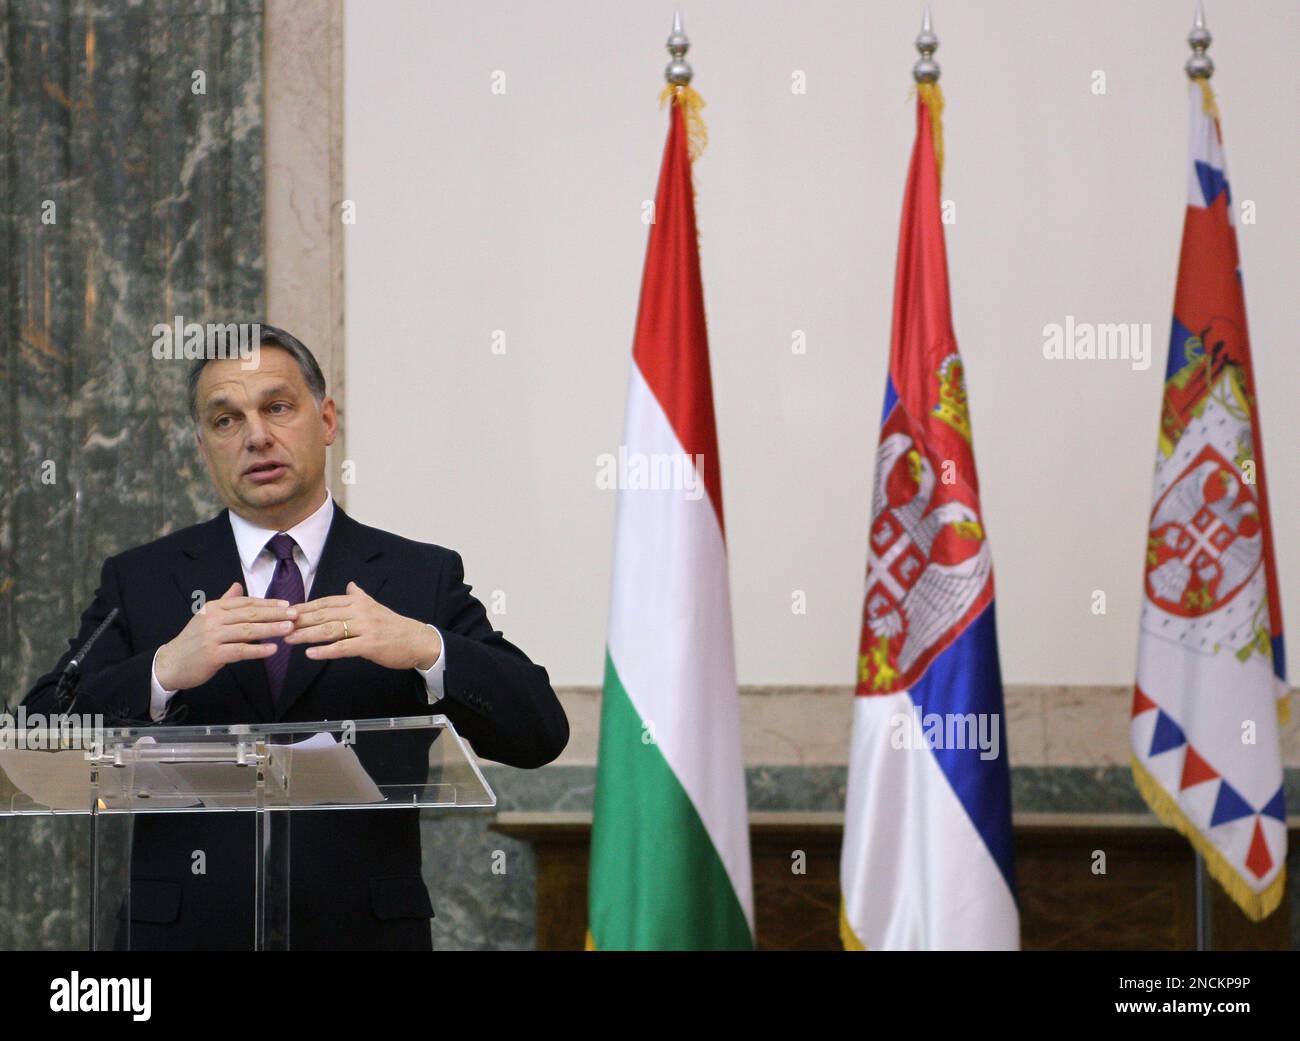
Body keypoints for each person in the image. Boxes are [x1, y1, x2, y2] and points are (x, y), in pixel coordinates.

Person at [23, 324, 568, 950]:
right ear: (204, 447)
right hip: (183, 938)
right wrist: (163, 670)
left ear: (327, 418)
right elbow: (39, 742)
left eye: (277, 407)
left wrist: (427, 649)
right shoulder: (143, 579)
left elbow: (539, 733)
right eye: (226, 420)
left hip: (362, 936)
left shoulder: (418, 576)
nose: (257, 435)